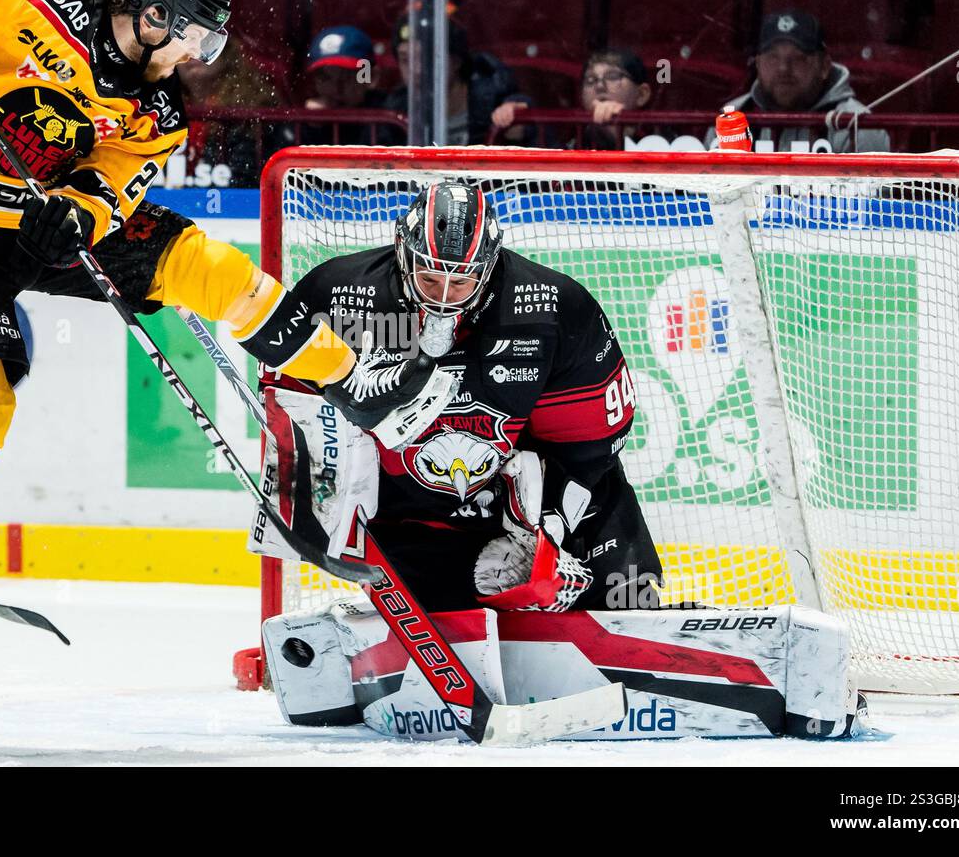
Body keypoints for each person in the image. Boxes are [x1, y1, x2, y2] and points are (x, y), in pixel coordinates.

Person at [0, 0, 449, 680]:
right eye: (191, 32)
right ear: (151, 12)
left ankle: (354, 378)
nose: (196, 53)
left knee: (200, 263)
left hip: (38, 221)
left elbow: (109, 188)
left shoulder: (157, 108)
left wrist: (78, 211)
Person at [261, 181, 663, 614]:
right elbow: (292, 420)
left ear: (488, 268)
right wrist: (346, 417)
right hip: (410, 523)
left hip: (532, 502)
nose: (444, 296)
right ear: (403, 250)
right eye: (430, 278)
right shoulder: (338, 295)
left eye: (461, 282)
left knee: (629, 607)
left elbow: (589, 447)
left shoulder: (553, 309)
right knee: (445, 643)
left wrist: (548, 529)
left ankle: (628, 614)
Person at [711, 10, 890, 153]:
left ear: (824, 66)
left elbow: (870, 198)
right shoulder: (731, 118)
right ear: (758, 64)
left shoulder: (856, 125)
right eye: (773, 57)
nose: (783, 68)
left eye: (799, 58)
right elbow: (710, 195)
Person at [385, 15, 531, 145]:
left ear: (456, 61)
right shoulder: (395, 108)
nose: (416, 70)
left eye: (427, 58)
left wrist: (517, 121)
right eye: (405, 60)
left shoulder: (493, 98)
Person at [177, 38, 286, 186]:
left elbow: (245, 175)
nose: (194, 52)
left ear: (224, 53)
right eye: (184, 45)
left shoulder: (250, 106)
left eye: (206, 43)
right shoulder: (161, 106)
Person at [296, 25, 390, 145]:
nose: (336, 88)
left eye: (348, 76)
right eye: (325, 77)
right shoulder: (301, 123)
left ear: (371, 77)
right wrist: (311, 128)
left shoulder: (388, 117)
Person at [574, 48, 652, 151]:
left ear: (642, 94)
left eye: (613, 77)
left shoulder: (657, 134)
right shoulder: (572, 137)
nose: (600, 86)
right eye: (590, 79)